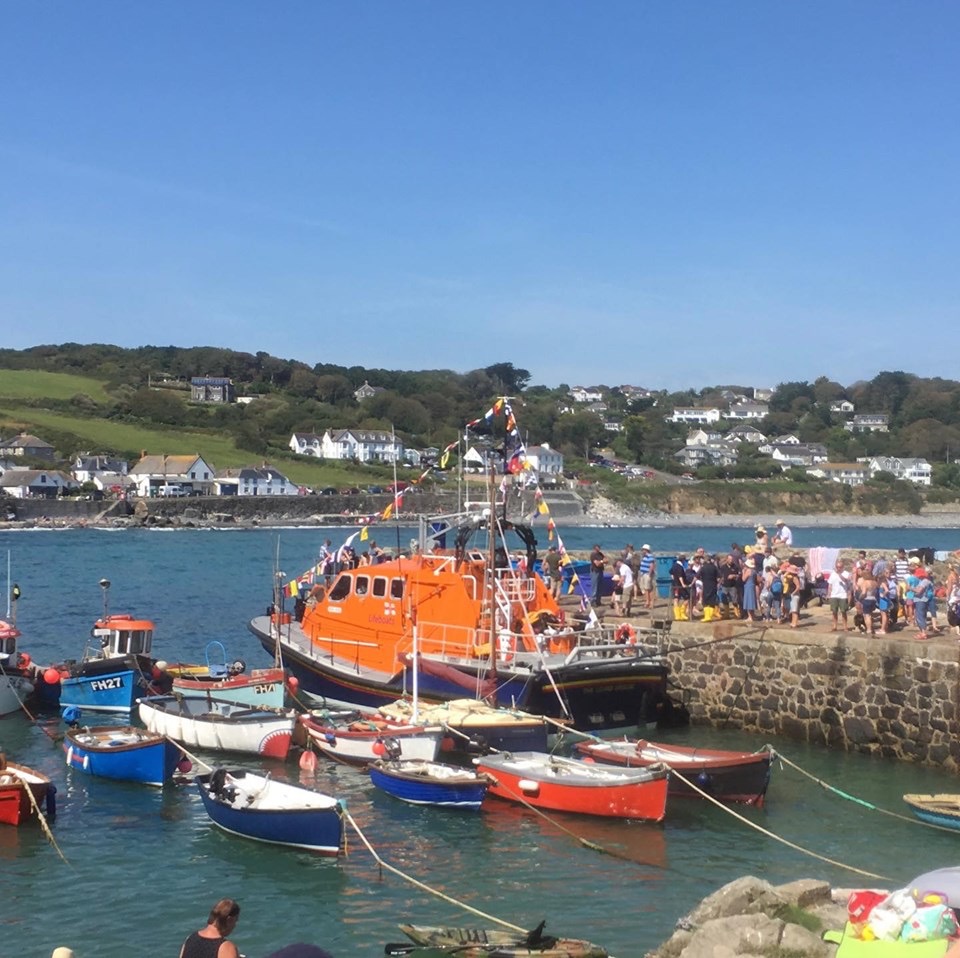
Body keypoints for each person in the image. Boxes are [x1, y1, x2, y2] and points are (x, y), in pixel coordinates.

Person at [827, 559, 853, 632]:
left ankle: (845, 626)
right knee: (834, 611)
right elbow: (830, 585)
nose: (838, 568)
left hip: (843, 595)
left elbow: (846, 580)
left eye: (840, 567)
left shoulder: (846, 573)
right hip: (834, 595)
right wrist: (828, 594)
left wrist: (839, 574)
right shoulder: (832, 574)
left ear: (843, 567)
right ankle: (834, 626)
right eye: (837, 567)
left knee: (843, 612)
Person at [637, 544, 656, 610]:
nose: (642, 551)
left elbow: (652, 565)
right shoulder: (644, 557)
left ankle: (650, 602)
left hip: (647, 574)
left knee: (648, 588)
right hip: (643, 573)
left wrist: (649, 574)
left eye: (643, 550)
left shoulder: (650, 557)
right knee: (645, 588)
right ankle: (647, 601)